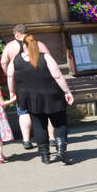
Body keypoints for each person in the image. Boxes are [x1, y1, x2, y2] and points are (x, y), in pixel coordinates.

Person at [7, 34, 76, 165]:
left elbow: (10, 76)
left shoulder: (16, 60)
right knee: (59, 123)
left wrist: (12, 92)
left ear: (24, 46)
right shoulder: (45, 57)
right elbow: (58, 76)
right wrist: (67, 92)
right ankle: (61, 150)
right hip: (52, 96)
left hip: (31, 99)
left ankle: (45, 156)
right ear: (36, 44)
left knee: (39, 127)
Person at [0, 24, 34, 151]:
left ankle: (26, 141)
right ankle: (51, 138)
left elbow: (3, 62)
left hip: (20, 82)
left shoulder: (10, 46)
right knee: (42, 110)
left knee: (23, 111)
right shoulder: (35, 43)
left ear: (17, 34)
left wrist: (8, 74)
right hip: (36, 80)